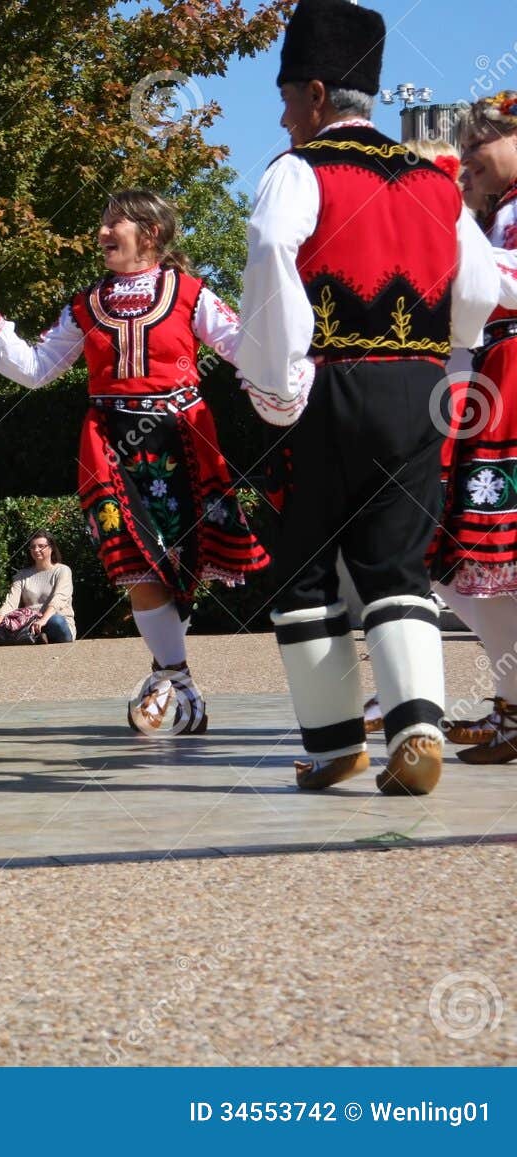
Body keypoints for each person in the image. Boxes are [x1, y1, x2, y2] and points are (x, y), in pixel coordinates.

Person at [237, 0, 500, 795]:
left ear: (316, 95)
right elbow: (481, 285)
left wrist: (279, 382)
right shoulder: (436, 179)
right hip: (418, 388)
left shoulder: (299, 170)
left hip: (329, 383)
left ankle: (333, 743)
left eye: (286, 100)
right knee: (397, 563)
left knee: (307, 565)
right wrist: (447, 359)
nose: (282, 119)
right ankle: (418, 723)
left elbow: (269, 251)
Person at [0, 190, 268, 731]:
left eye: (114, 221)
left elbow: (248, 347)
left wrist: (298, 347)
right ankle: (178, 677)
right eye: (102, 221)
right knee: (136, 562)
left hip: (184, 441)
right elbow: (36, 368)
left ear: (151, 233)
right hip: (111, 445)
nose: (102, 231)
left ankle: (166, 682)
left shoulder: (191, 294)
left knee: (184, 565)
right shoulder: (86, 304)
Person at [429, 93, 517, 763]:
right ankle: (513, 701)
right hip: (486, 386)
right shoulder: (494, 218)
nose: (468, 158)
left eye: (479, 142)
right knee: (462, 553)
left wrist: (451, 220)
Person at [0, 531, 76, 644]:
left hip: (52, 620)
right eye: (33, 547)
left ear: (51, 548)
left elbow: (59, 599)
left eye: (41, 546)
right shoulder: (21, 575)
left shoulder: (62, 571)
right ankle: (33, 636)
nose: (36, 550)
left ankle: (32, 636)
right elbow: (11, 602)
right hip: (28, 623)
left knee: (57, 621)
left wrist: (43, 620)